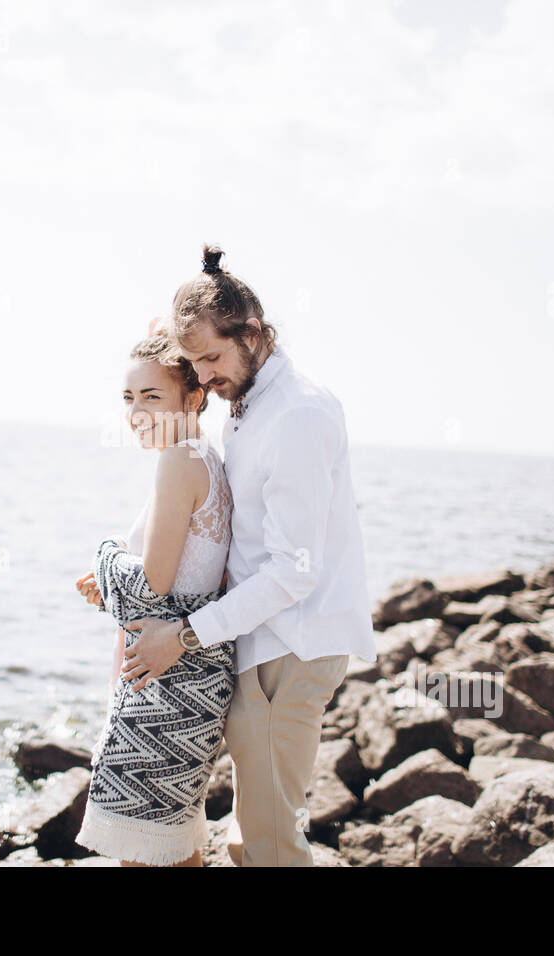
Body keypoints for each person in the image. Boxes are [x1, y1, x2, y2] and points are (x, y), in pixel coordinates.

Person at [121, 245, 378, 867]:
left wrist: (181, 637)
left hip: (290, 644)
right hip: (260, 642)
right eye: (194, 363)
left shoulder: (296, 414)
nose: (204, 377)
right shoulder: (253, 405)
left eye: (211, 357)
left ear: (254, 332)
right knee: (250, 836)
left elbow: (294, 570)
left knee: (268, 845)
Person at [72, 326, 235, 867]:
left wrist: (104, 555)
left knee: (141, 853)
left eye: (152, 396)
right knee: (174, 847)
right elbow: (181, 576)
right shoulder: (203, 458)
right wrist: (118, 577)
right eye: (128, 397)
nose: (136, 411)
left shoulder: (179, 461)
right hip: (187, 678)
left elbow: (155, 585)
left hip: (168, 688)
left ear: (194, 398)